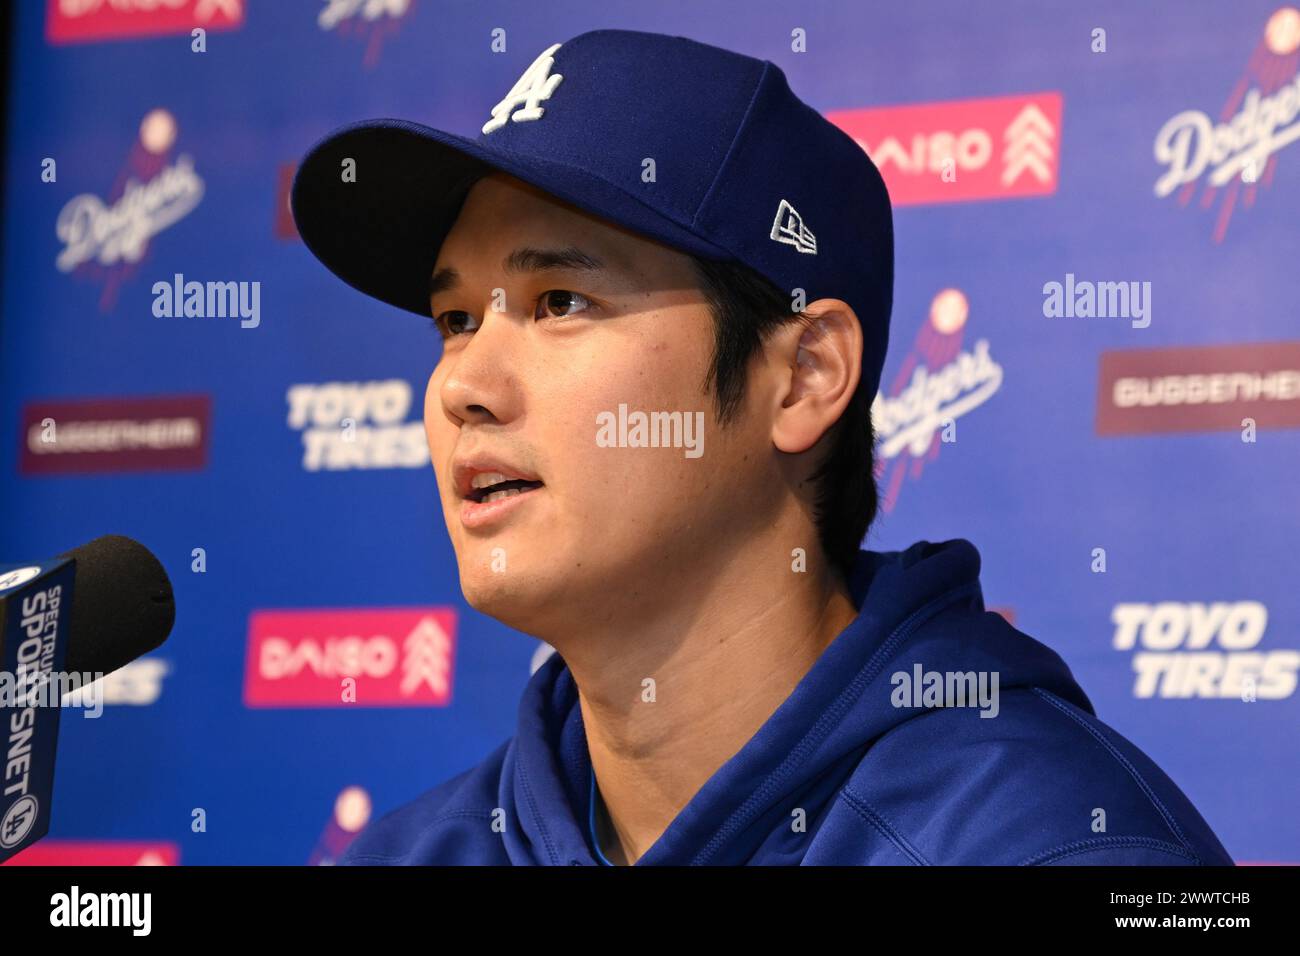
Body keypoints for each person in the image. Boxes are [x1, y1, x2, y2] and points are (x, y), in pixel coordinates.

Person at [290, 28, 1233, 865]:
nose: (463, 387)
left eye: (560, 304)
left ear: (804, 376)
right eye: (455, 319)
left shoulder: (1052, 841)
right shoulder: (413, 851)